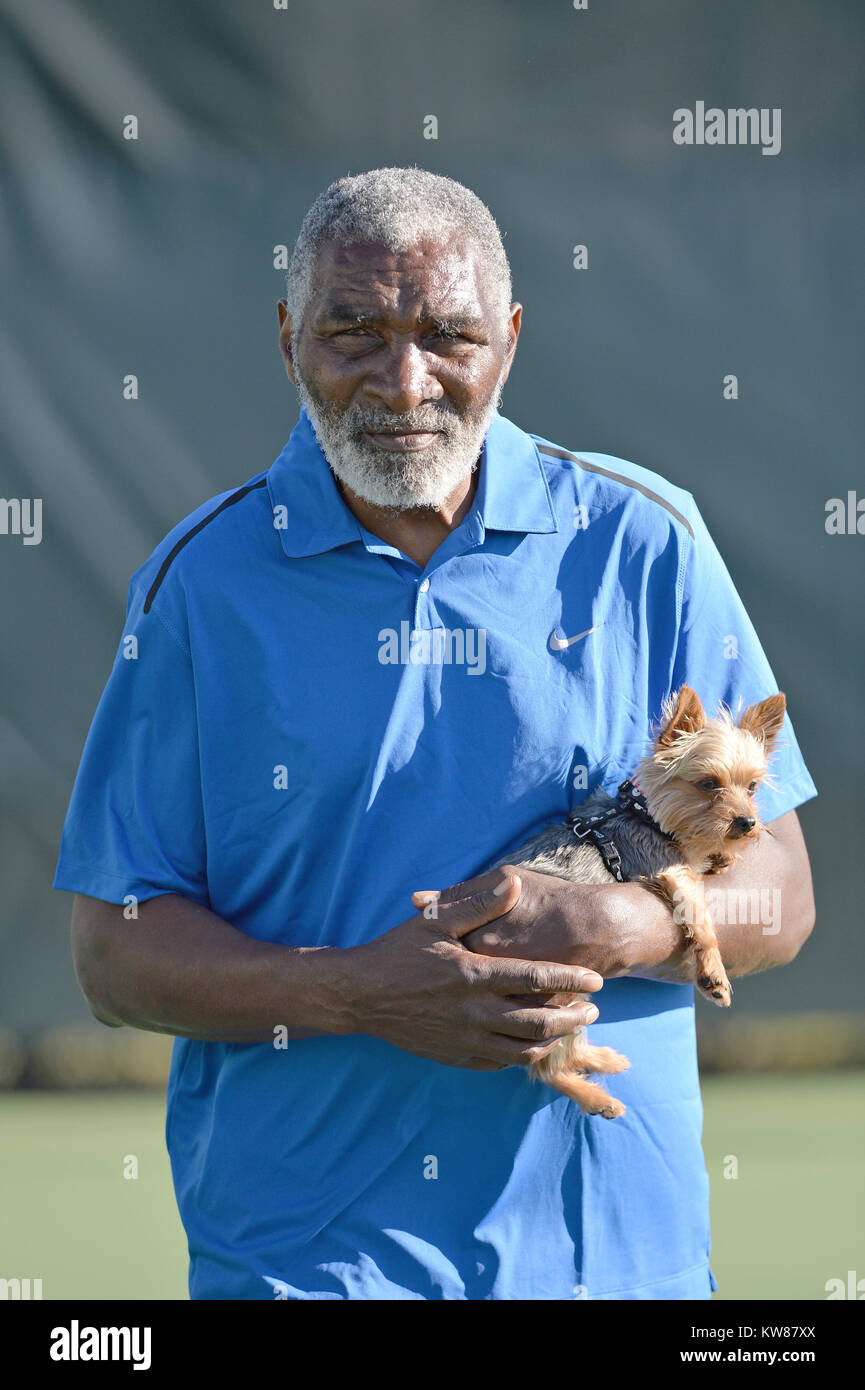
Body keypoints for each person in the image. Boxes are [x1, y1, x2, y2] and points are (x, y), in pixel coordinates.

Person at [55, 167, 817, 1301]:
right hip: (305, 1268)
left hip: (615, 1264)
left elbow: (781, 896)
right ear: (287, 338)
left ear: (507, 340)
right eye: (353, 332)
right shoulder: (199, 585)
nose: (402, 381)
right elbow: (114, 950)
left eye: (446, 335)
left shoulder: (644, 541)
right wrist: (357, 991)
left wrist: (623, 918)